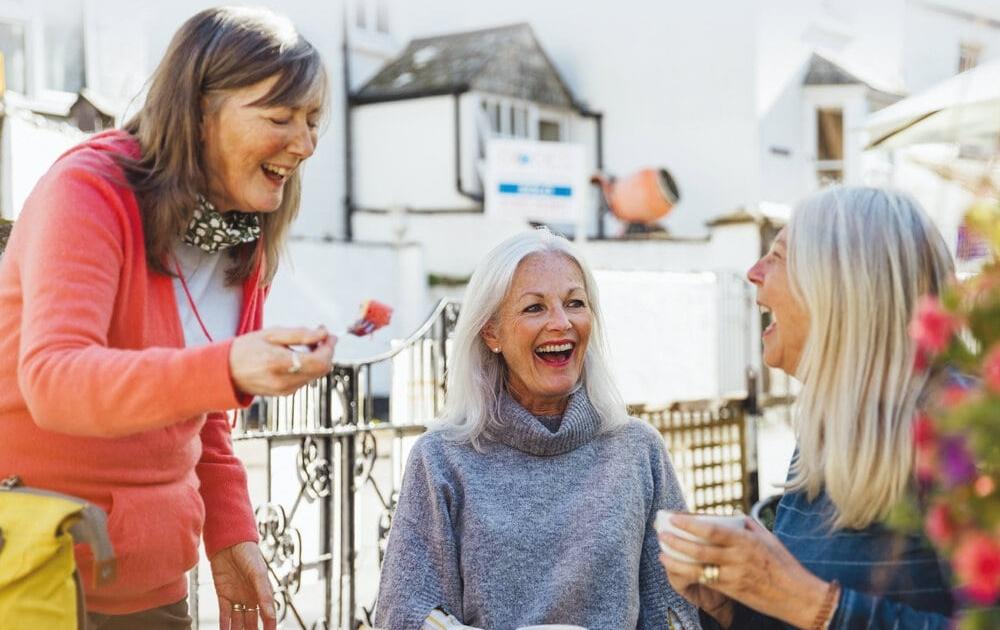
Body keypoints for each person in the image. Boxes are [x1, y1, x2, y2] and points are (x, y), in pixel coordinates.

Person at [0, 7, 333, 630]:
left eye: (312, 121)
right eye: (280, 117)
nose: (306, 142)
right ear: (200, 110)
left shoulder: (241, 233)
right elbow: (53, 379)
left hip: (146, 575)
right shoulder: (88, 192)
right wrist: (229, 366)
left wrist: (232, 538)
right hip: (36, 567)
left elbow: (199, 411)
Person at [659, 187, 959, 629]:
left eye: (778, 257)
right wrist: (735, 606)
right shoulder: (829, 430)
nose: (753, 272)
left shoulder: (962, 431)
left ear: (843, 288)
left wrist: (811, 602)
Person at [374, 228, 700, 629]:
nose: (561, 323)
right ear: (491, 332)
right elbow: (405, 612)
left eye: (575, 303)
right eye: (534, 308)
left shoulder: (637, 450)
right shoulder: (442, 457)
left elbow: (675, 611)